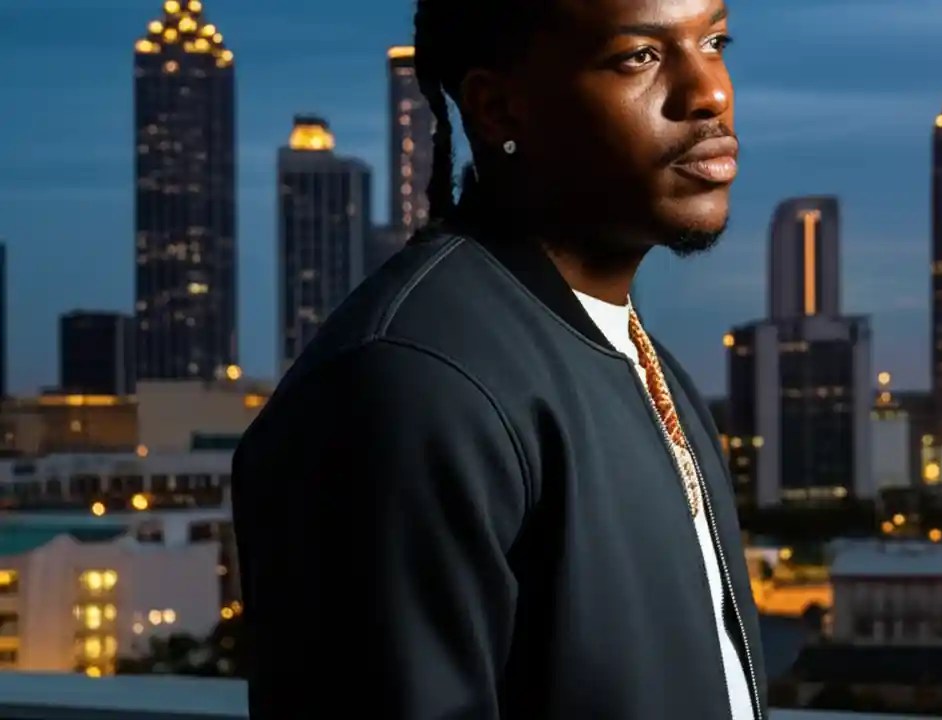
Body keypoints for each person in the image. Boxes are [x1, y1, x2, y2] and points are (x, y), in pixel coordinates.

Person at [230, 0, 763, 717]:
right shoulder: (409, 384)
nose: (710, 91)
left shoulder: (643, 362)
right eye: (639, 56)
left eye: (714, 40)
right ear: (501, 109)